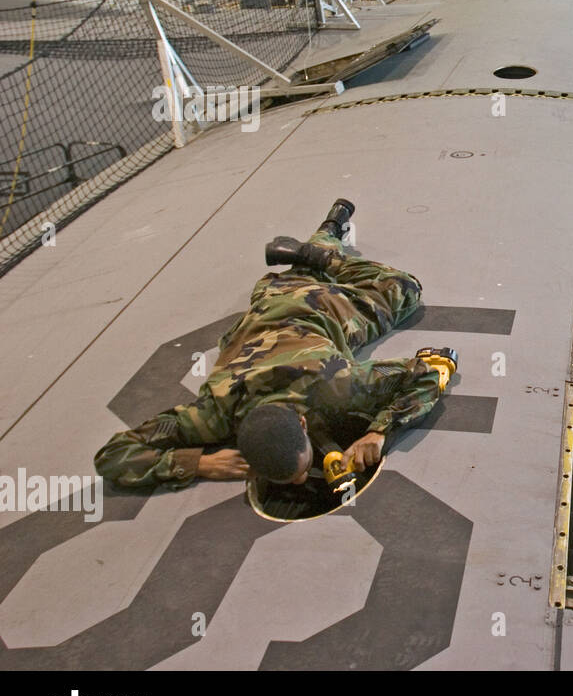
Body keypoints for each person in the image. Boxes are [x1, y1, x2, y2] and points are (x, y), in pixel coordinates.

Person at [94, 199, 456, 492]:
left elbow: (423, 374)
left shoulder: (335, 385)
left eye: (298, 472)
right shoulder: (214, 412)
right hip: (269, 296)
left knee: (404, 288)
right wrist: (198, 461)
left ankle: (323, 256)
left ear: (301, 421)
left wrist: (380, 431)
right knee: (307, 271)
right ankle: (323, 238)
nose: (303, 479)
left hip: (319, 307)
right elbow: (111, 455)